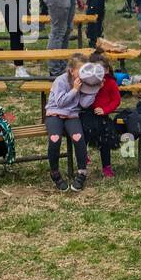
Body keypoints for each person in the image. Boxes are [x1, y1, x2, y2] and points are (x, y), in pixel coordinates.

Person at [44, 53, 100, 192]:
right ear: (71, 70)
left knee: (78, 138)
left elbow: (84, 104)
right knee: (54, 139)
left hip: (72, 114)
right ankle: (55, 172)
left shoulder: (84, 82)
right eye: (81, 70)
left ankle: (82, 172)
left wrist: (93, 90)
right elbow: (60, 102)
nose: (84, 74)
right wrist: (75, 90)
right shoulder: (61, 81)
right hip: (55, 113)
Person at [79, 50, 121, 179]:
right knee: (84, 133)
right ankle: (83, 156)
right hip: (87, 114)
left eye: (103, 69)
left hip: (102, 116)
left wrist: (106, 110)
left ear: (107, 70)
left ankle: (106, 167)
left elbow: (116, 100)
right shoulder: (87, 81)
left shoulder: (111, 83)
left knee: (105, 141)